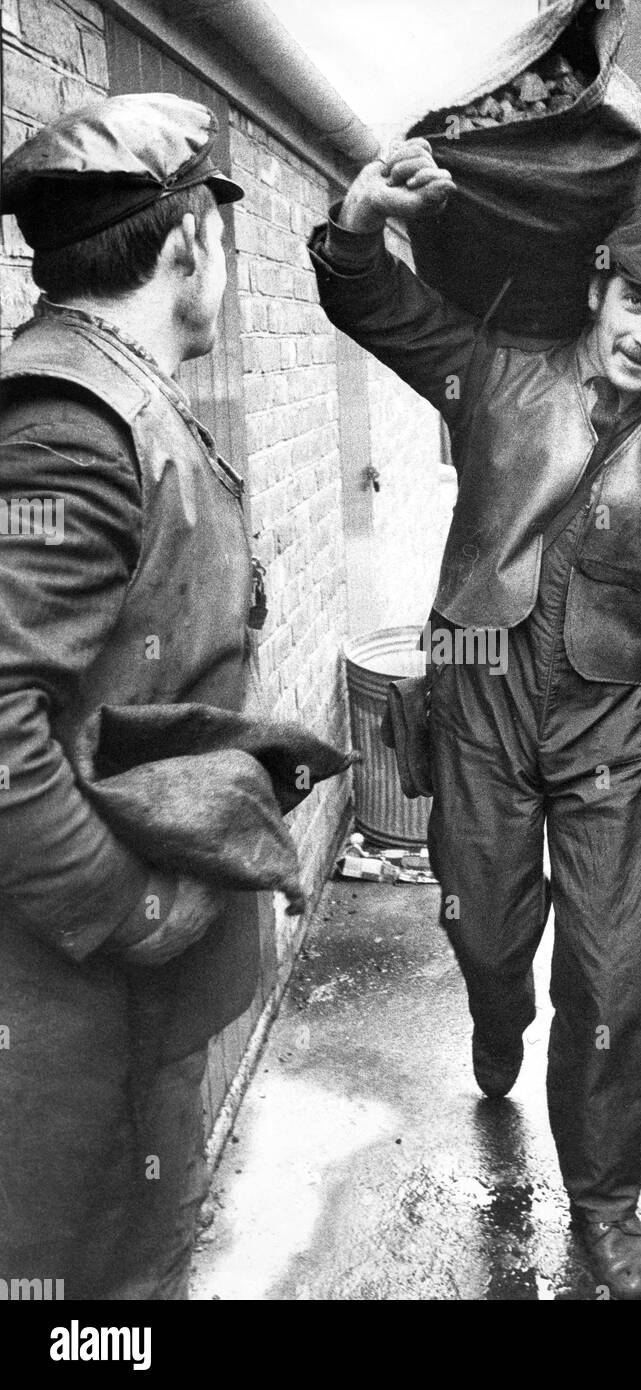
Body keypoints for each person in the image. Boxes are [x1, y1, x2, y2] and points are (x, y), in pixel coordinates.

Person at [308, 138, 641, 1300]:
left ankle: (603, 1206)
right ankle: (494, 1011)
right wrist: (357, 224)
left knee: (613, 987)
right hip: (478, 708)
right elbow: (380, 307)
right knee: (488, 932)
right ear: (598, 287)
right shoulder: (496, 371)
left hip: (613, 740)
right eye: (634, 302)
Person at [0, 93, 260, 1299]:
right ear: (185, 244)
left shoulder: (107, 388)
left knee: (141, 1254)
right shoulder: (65, 426)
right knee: (94, 1283)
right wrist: (127, 910)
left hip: (122, 999)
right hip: (67, 1001)